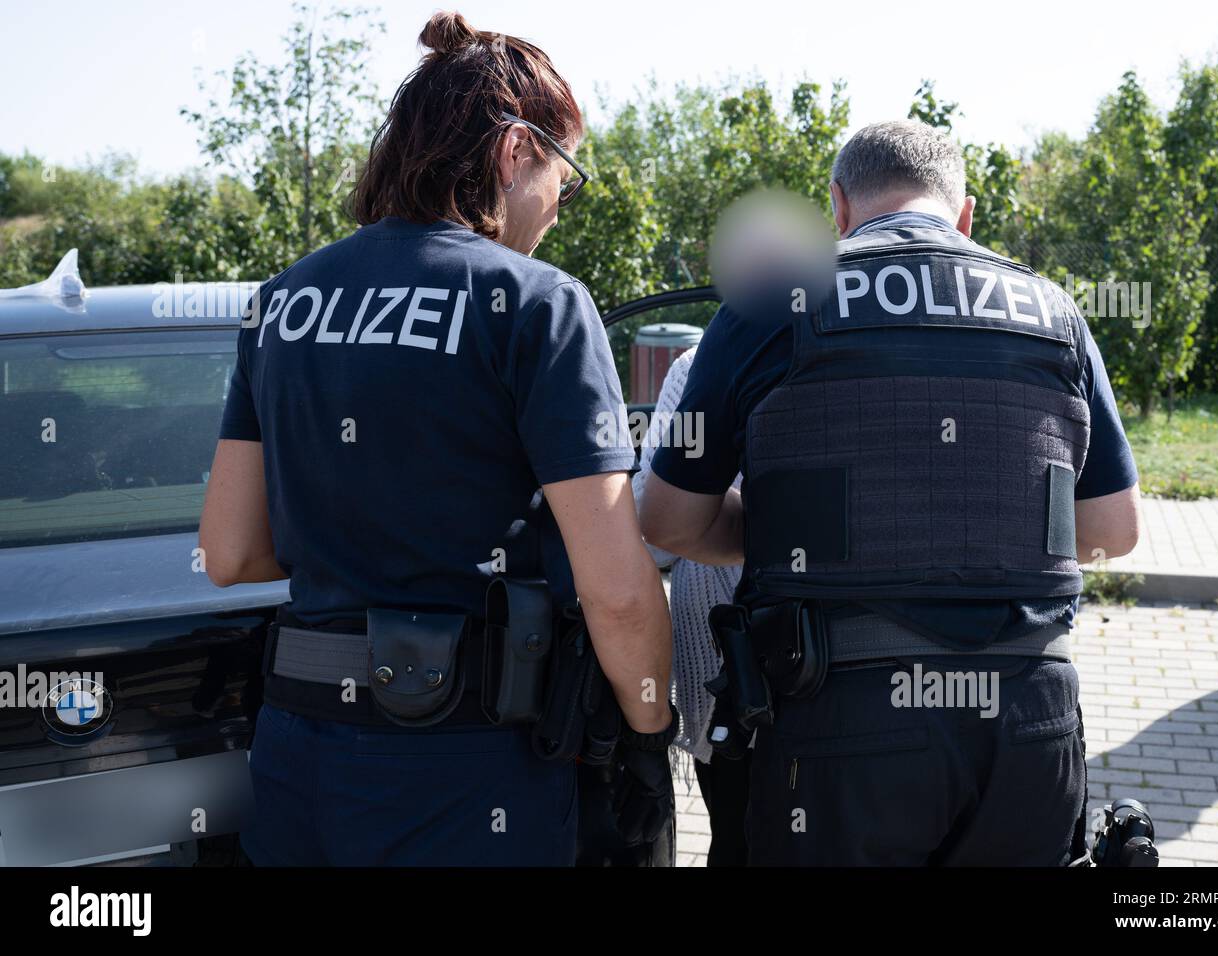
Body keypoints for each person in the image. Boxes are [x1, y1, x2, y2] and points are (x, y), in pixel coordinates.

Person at [199, 11, 674, 866]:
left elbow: (231, 553)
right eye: (566, 177)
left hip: (300, 763)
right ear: (515, 150)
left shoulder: (282, 301)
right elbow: (620, 590)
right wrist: (648, 728)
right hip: (466, 772)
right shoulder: (537, 304)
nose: (560, 211)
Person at [641, 119, 1141, 866]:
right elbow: (1113, 528)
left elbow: (671, 520)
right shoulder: (1058, 313)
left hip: (841, 724)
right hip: (1028, 718)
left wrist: (789, 528)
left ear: (837, 208)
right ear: (965, 214)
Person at [631, 347, 749, 866]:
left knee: (737, 838)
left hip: (733, 683)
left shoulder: (706, 363)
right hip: (881, 676)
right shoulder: (909, 354)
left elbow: (649, 529)